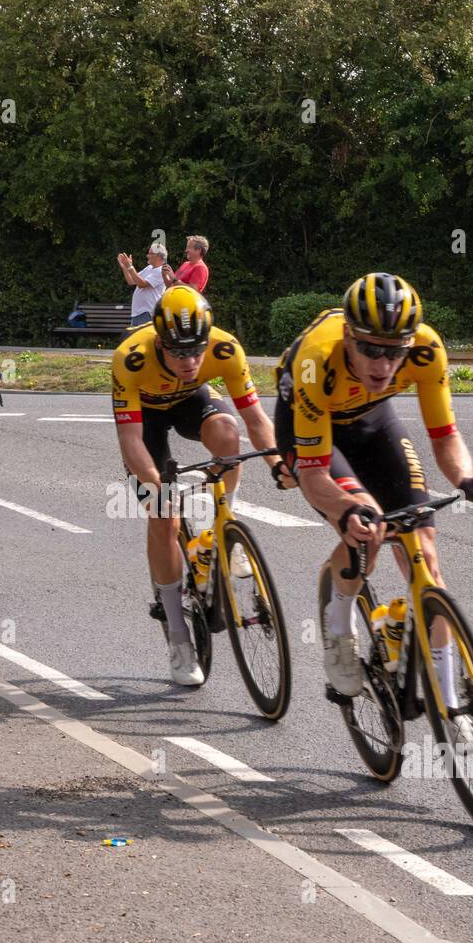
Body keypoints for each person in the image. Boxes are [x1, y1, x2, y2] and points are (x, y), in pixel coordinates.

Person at [274, 271, 473, 739]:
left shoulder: (426, 349)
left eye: (395, 350)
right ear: (347, 336)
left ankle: (449, 704)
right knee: (368, 527)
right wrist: (345, 510)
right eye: (371, 349)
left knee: (426, 556)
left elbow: (446, 437)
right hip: (312, 425)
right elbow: (316, 476)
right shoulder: (316, 361)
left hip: (373, 420)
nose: (384, 363)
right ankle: (338, 629)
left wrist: (467, 477)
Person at [111, 284, 288, 687]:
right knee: (163, 518)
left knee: (228, 433)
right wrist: (155, 486)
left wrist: (278, 462)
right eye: (178, 352)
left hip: (192, 402)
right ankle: (177, 633)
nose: (190, 360)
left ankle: (222, 526)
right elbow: (131, 441)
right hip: (146, 418)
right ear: (159, 340)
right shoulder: (131, 358)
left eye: (197, 350)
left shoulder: (225, 349)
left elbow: (257, 420)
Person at [117, 243, 167, 327]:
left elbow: (141, 284)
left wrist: (130, 267)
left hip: (148, 313)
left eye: (150, 253)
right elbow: (132, 281)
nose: (147, 255)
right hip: (138, 313)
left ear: (158, 256)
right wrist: (125, 268)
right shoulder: (149, 268)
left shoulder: (161, 270)